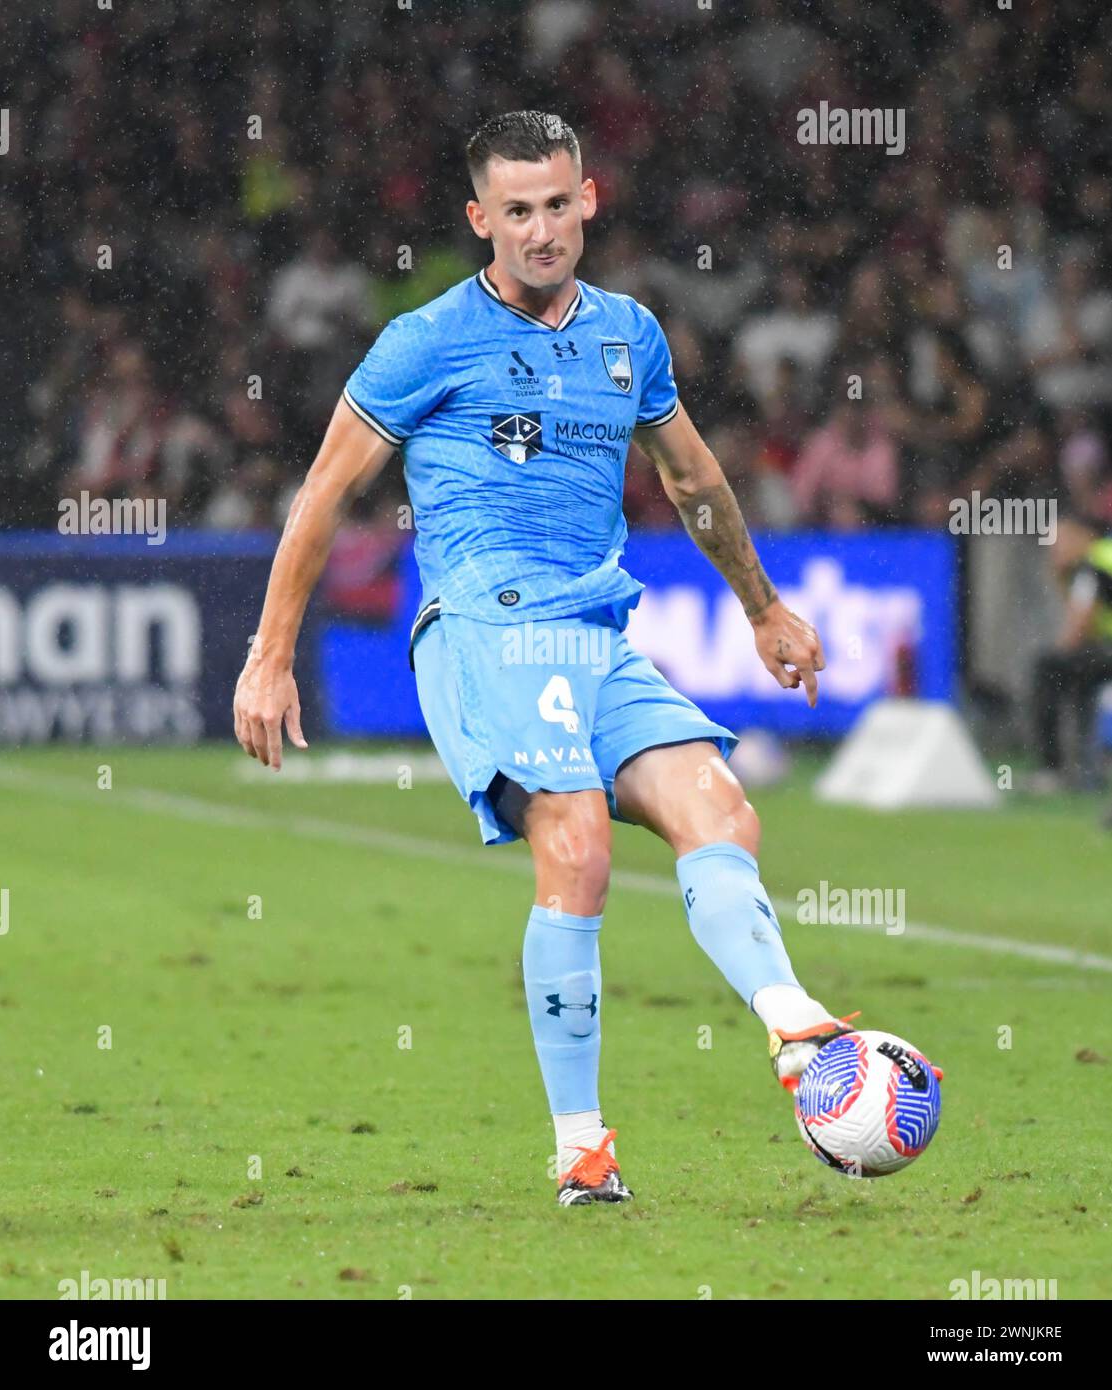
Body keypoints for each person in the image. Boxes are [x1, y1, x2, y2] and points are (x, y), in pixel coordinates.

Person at [233, 111, 854, 1207]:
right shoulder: (427, 341)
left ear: (588, 201)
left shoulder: (630, 334)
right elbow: (324, 495)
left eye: (556, 205)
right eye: (515, 212)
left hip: (594, 629)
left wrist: (762, 608)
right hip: (482, 626)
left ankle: (796, 1029)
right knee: (575, 840)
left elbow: (696, 482)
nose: (541, 231)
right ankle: (582, 1147)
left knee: (722, 811)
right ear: (481, 220)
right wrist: (270, 654)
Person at [1029, 515, 1112, 793]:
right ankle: (1089, 763)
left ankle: (1052, 768)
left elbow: (1078, 630)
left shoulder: (1091, 567)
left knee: (1049, 668)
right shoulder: (1104, 556)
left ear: (1083, 537)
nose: (1055, 552)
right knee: (1080, 674)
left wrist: (1060, 654)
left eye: (1060, 543)